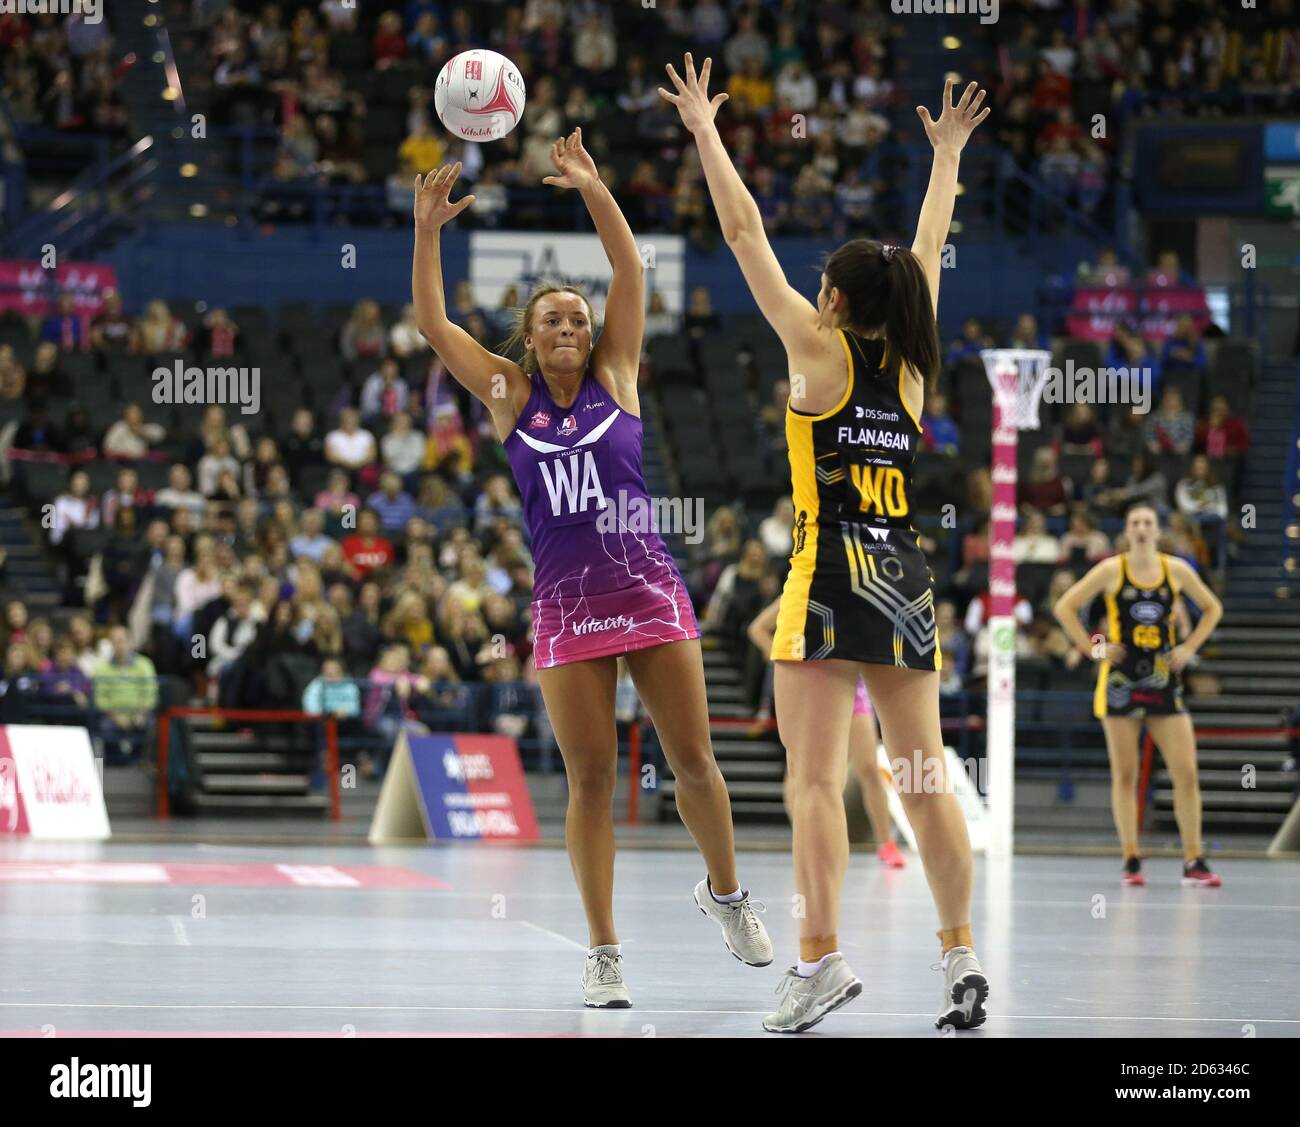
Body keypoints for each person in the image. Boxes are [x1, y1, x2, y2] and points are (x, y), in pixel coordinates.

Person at [661, 58, 989, 1032]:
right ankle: (959, 952)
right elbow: (928, 242)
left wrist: (704, 131)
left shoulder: (818, 350)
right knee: (924, 778)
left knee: (812, 781)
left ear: (837, 303)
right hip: (905, 582)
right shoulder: (918, 361)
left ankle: (818, 960)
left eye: (821, 286)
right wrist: (947, 156)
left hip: (825, 580)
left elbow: (740, 230)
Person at [412, 132, 771, 1009]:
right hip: (567, 607)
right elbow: (433, 323)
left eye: (578, 316)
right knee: (591, 779)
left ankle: (727, 895)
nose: (571, 326)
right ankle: (604, 951)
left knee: (693, 759)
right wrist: (427, 231)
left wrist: (594, 188)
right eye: (553, 320)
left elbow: (630, 272)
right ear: (530, 340)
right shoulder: (508, 396)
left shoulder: (618, 372)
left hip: (647, 590)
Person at [1052, 502, 1224, 888]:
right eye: (1135, 522)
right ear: (1126, 530)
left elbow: (1213, 608)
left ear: (1158, 529)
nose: (1142, 528)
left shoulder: (1175, 569)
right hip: (1120, 681)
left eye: (1148, 521)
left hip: (1163, 679)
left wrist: (1190, 646)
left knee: (1187, 771)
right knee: (1126, 774)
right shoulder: (1112, 569)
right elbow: (1066, 606)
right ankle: (1131, 856)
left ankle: (1193, 859)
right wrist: (1094, 647)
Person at [750, 596, 907, 868]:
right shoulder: (802, 584)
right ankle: (804, 836)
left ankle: (886, 844)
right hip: (811, 686)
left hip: (853, 687)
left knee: (868, 767)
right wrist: (782, 656)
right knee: (799, 768)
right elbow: (758, 628)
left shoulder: (858, 590)